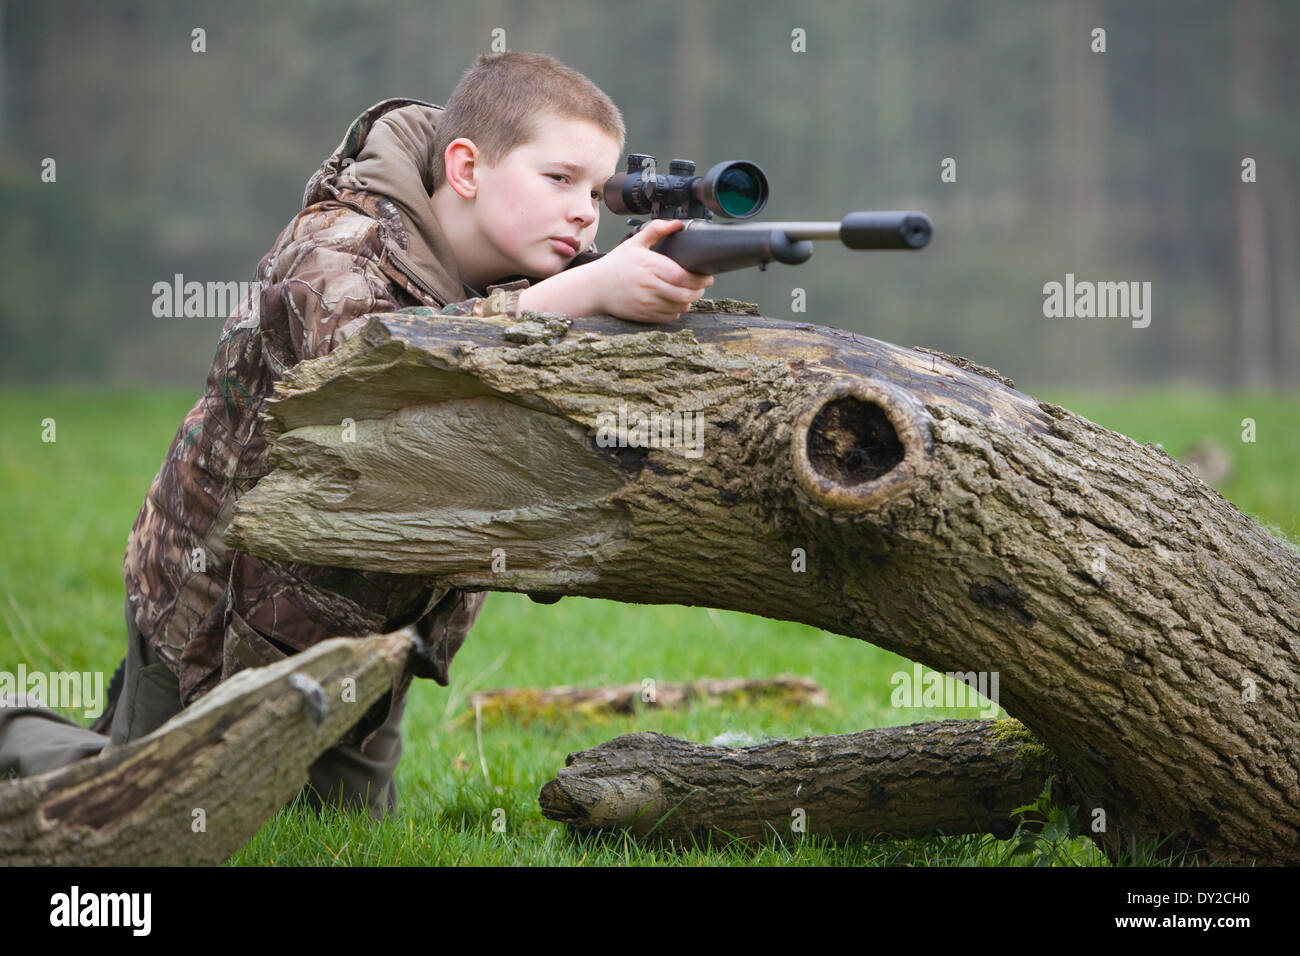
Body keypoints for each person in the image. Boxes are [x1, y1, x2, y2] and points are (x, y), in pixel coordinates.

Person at [0, 51, 713, 816]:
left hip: (375, 630)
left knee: (339, 834)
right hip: (215, 615)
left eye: (599, 193)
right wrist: (580, 295)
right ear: (466, 169)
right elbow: (363, 369)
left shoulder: (534, 281)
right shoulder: (336, 245)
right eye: (559, 179)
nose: (584, 212)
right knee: (135, 809)